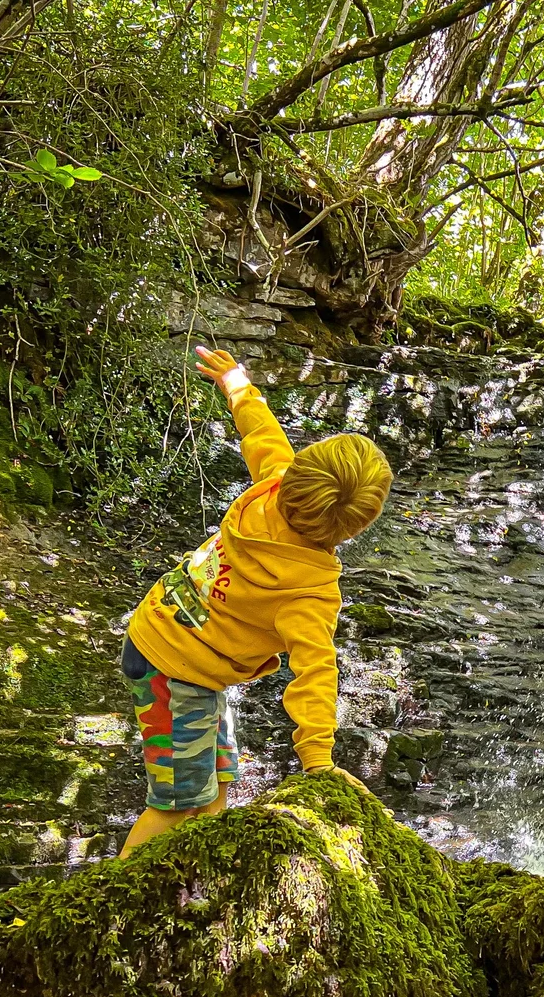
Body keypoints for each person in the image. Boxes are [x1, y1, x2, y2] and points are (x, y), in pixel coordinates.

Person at [117, 344, 392, 858]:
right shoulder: (308, 593)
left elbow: (263, 433)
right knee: (175, 804)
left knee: (218, 782)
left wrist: (237, 384)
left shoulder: (274, 486)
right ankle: (108, 901)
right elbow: (316, 672)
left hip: (168, 638)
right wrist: (317, 761)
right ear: (357, 527)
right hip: (176, 668)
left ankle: (187, 881)